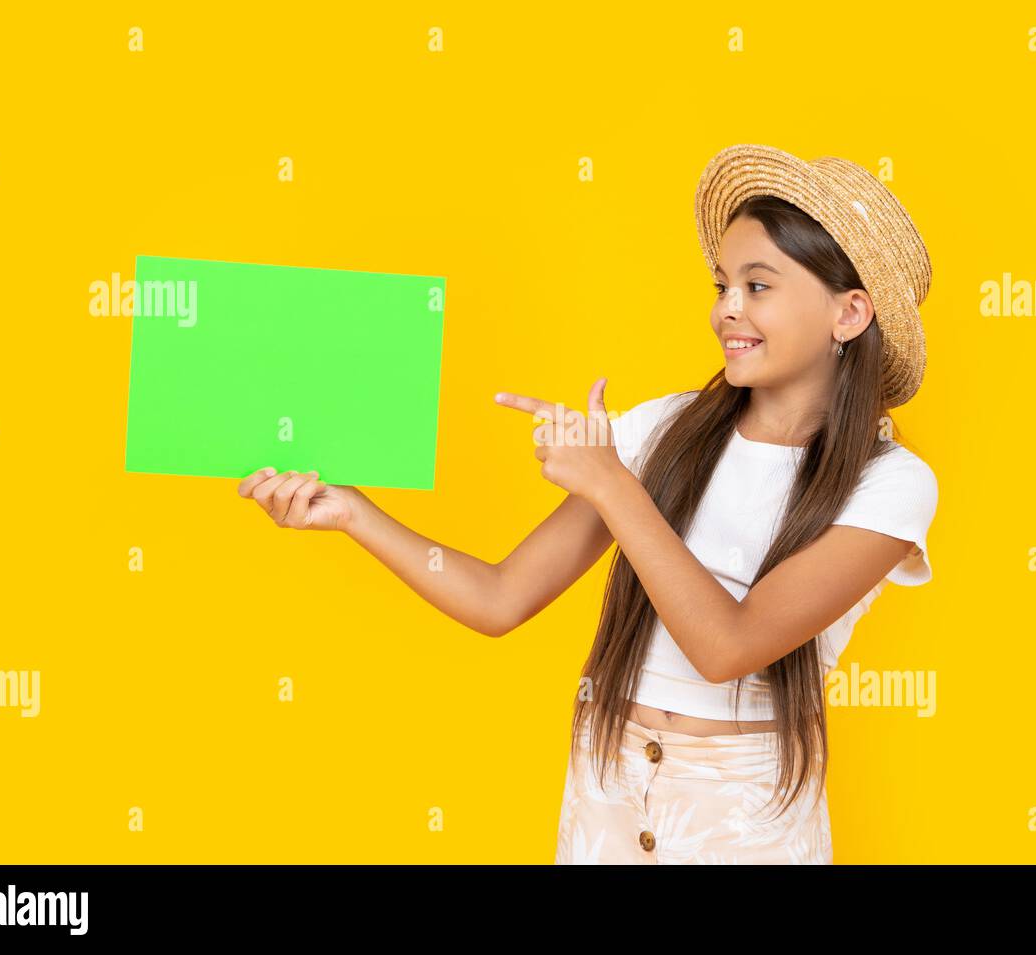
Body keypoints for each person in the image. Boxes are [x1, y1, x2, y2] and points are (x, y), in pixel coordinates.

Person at [236, 144, 939, 864]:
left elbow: (728, 646)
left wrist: (609, 480)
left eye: (758, 286)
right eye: (721, 283)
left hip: (745, 813)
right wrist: (353, 512)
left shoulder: (891, 483)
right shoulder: (663, 429)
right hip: (606, 784)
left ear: (850, 313)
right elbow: (501, 597)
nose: (725, 308)